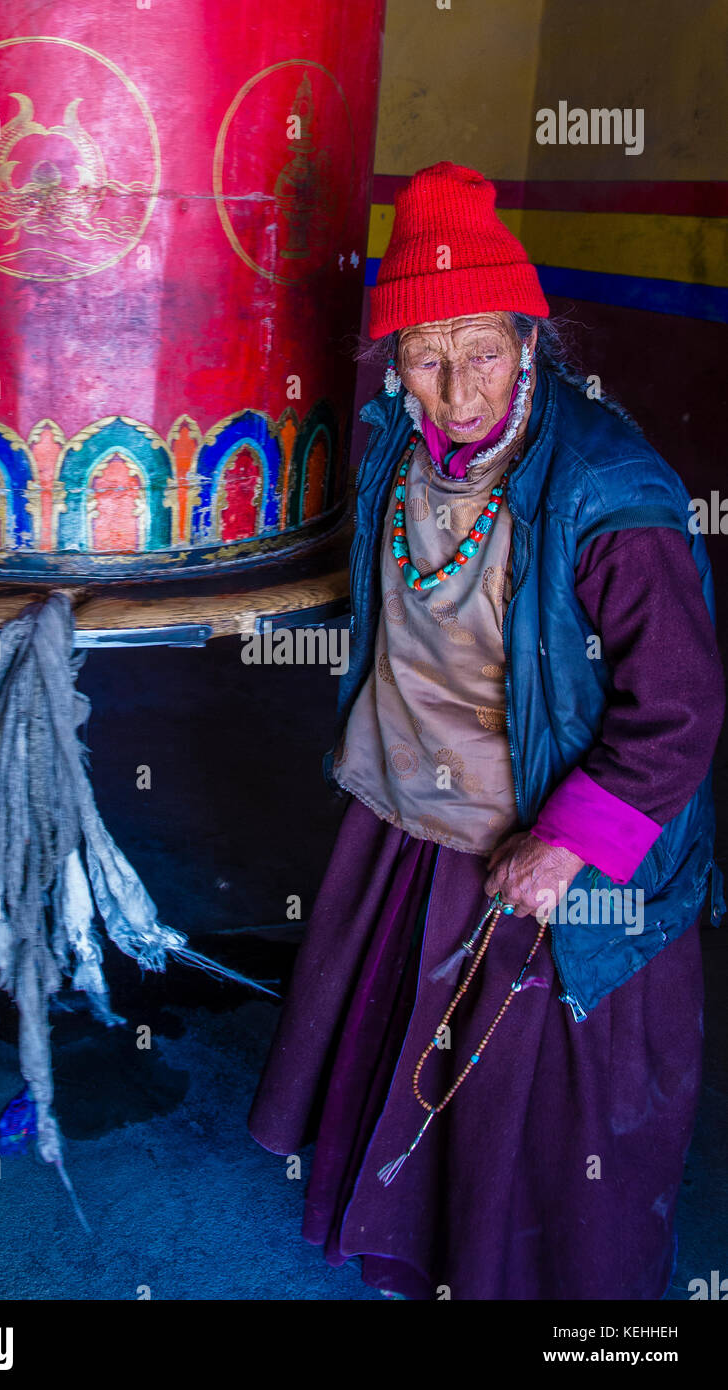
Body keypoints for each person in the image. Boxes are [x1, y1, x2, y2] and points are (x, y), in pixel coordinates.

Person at [248, 161, 725, 1300]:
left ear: (527, 341)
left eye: (480, 349)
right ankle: (410, 1245)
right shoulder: (396, 453)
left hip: (545, 852)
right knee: (407, 1054)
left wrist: (566, 845)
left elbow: (680, 705)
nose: (456, 386)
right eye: (424, 354)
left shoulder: (605, 491)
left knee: (530, 1112)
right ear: (393, 366)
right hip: (412, 820)